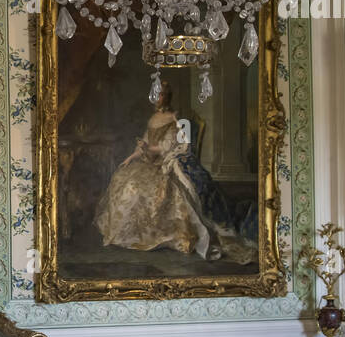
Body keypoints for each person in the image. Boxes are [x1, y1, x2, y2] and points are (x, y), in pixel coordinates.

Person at [94, 79, 255, 264]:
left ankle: (158, 235)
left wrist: (148, 148)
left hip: (164, 163)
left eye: (161, 95)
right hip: (148, 162)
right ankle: (125, 233)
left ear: (167, 97)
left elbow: (167, 146)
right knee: (123, 179)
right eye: (156, 94)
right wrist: (131, 157)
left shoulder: (174, 118)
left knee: (138, 188)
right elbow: (144, 143)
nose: (158, 98)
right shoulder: (152, 118)